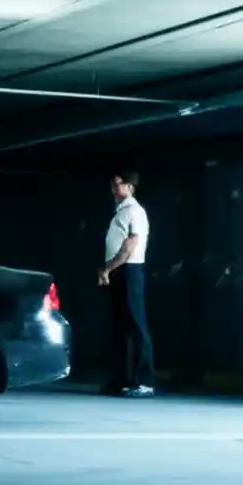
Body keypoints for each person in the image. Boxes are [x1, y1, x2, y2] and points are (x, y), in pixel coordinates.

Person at [98, 170, 155, 398]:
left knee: (136, 325)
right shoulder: (119, 212)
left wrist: (109, 268)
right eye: (112, 184)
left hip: (129, 271)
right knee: (119, 327)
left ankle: (144, 381)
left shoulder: (134, 211)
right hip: (118, 272)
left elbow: (130, 244)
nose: (113, 188)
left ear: (130, 187)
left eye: (118, 184)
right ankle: (121, 379)